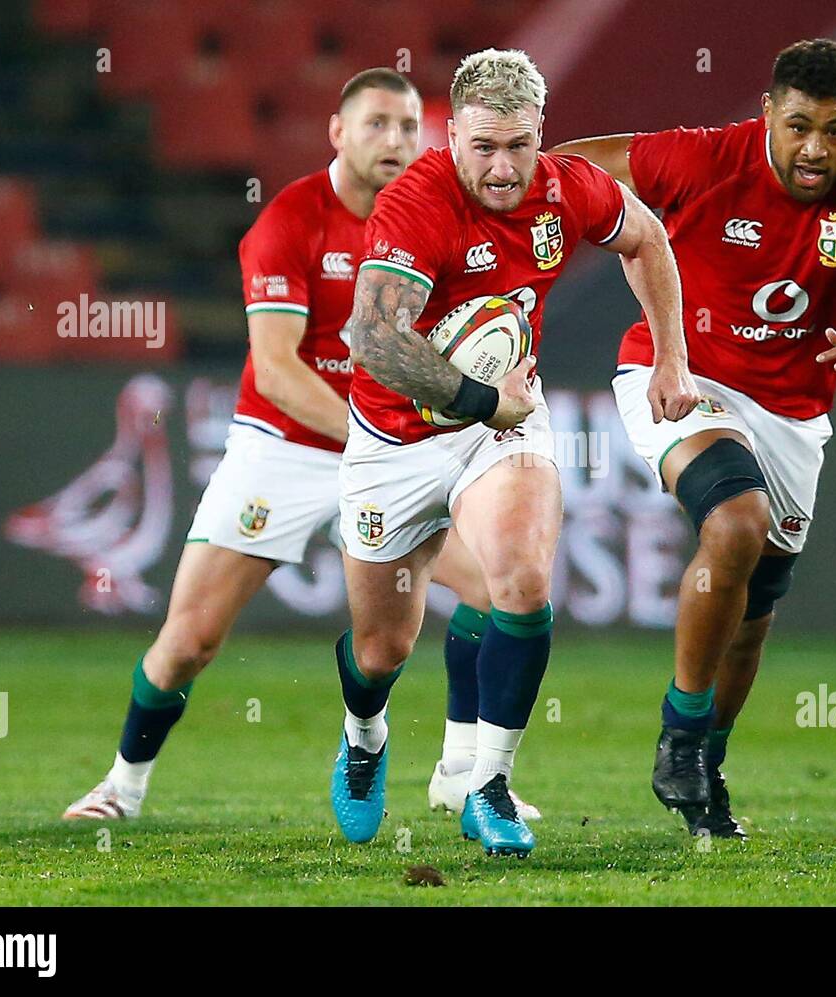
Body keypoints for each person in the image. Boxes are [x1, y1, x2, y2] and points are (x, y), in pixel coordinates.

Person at [64, 69, 536, 821]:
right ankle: (121, 783)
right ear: (337, 134)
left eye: (410, 127)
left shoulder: (438, 212)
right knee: (190, 639)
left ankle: (459, 767)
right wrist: (371, 433)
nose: (396, 141)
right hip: (287, 446)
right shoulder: (291, 220)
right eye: (377, 123)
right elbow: (279, 371)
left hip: (392, 448)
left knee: (495, 587)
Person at [551, 38, 836, 835]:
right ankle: (680, 732)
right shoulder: (703, 157)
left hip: (793, 414)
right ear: (768, 112)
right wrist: (505, 202)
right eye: (801, 125)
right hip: (680, 376)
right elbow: (564, 171)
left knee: (752, 618)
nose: (817, 148)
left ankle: (706, 766)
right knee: (736, 519)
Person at [330, 48, 699, 857]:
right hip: (396, 436)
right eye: (484, 146)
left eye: (520, 146)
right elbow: (375, 337)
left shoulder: (568, 186)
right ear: (452, 133)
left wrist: (672, 355)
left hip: (502, 426)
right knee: (380, 648)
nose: (504, 168)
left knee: (523, 582)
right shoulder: (413, 204)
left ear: (543, 135)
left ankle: (485, 782)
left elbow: (648, 238)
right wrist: (482, 397)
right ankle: (364, 738)